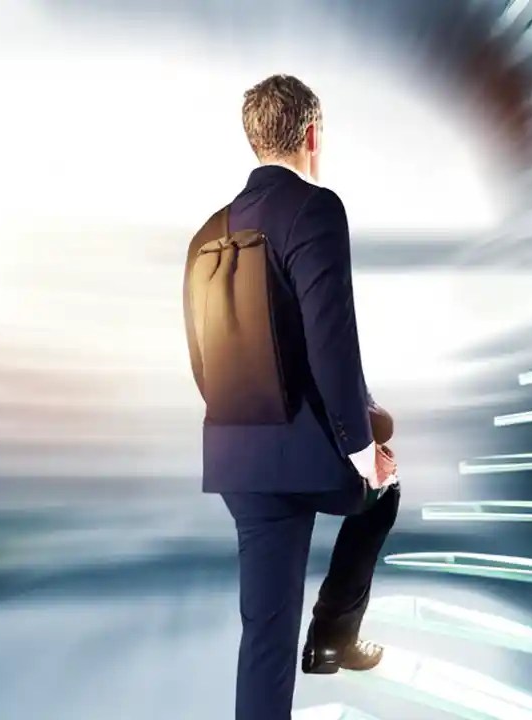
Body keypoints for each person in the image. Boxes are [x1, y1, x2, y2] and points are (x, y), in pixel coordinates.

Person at [185, 74, 400, 720]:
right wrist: (364, 452)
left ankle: (322, 641)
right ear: (311, 134)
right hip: (303, 460)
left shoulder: (207, 233)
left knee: (264, 637)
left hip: (233, 457)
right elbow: (333, 344)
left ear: (255, 141)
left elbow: (203, 359)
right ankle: (333, 636)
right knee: (383, 491)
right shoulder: (316, 209)